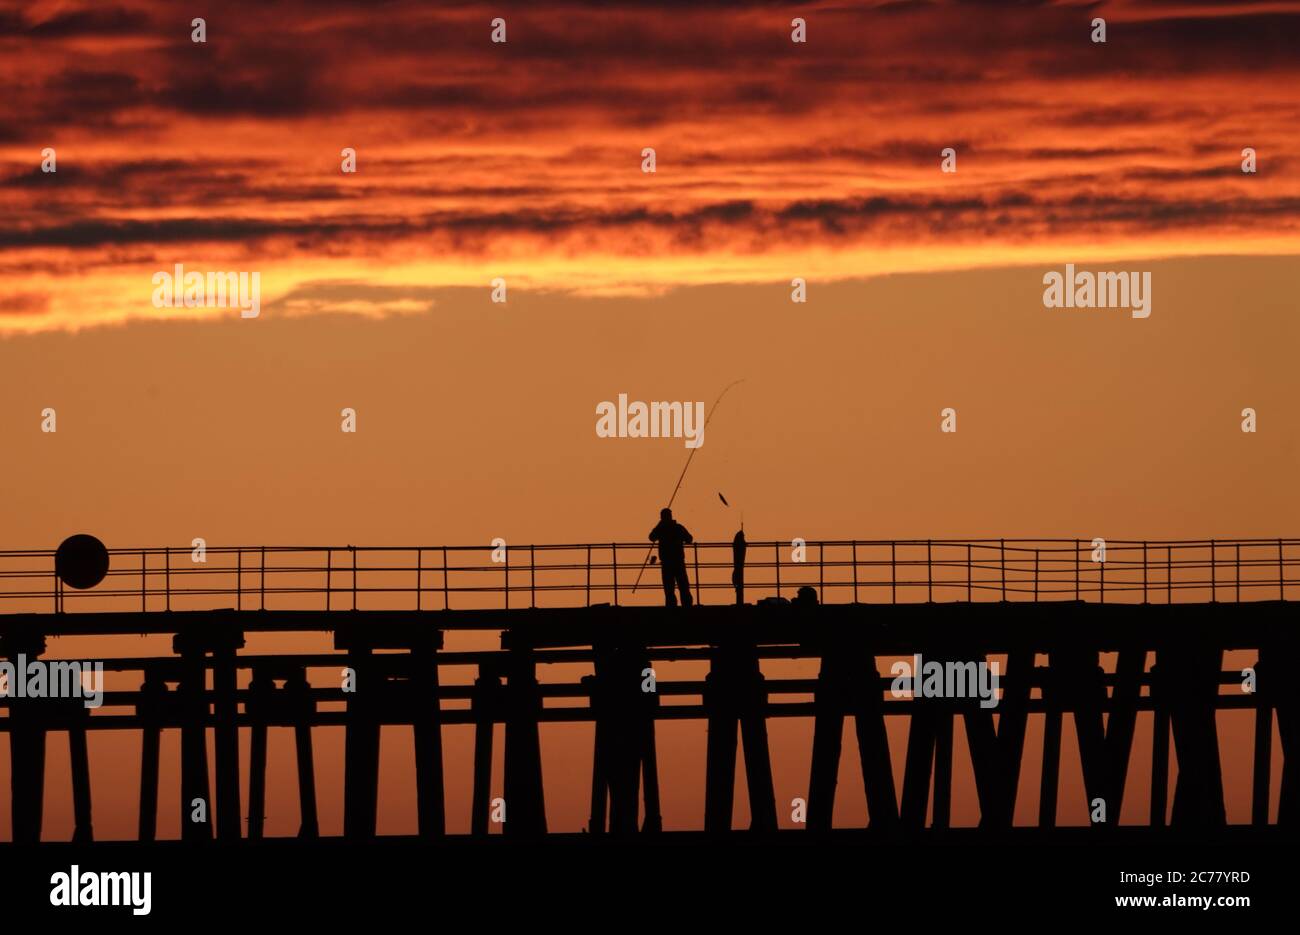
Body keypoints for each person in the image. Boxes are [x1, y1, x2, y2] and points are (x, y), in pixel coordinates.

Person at [648, 507, 693, 607]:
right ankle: (687, 606)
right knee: (683, 586)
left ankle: (671, 606)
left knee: (669, 588)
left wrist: (658, 525)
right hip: (678, 561)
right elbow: (689, 539)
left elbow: (651, 537)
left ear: (662, 518)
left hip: (667, 563)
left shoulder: (661, 529)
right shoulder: (678, 527)